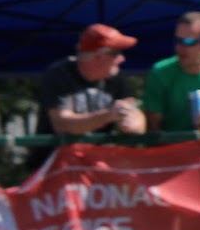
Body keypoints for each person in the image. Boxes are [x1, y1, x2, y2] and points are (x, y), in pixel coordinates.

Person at [30, 23, 147, 167]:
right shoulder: (59, 74)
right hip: (55, 167)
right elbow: (62, 124)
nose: (122, 59)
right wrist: (108, 115)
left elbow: (136, 115)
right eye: (116, 53)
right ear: (98, 56)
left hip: (95, 166)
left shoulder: (116, 77)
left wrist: (133, 123)